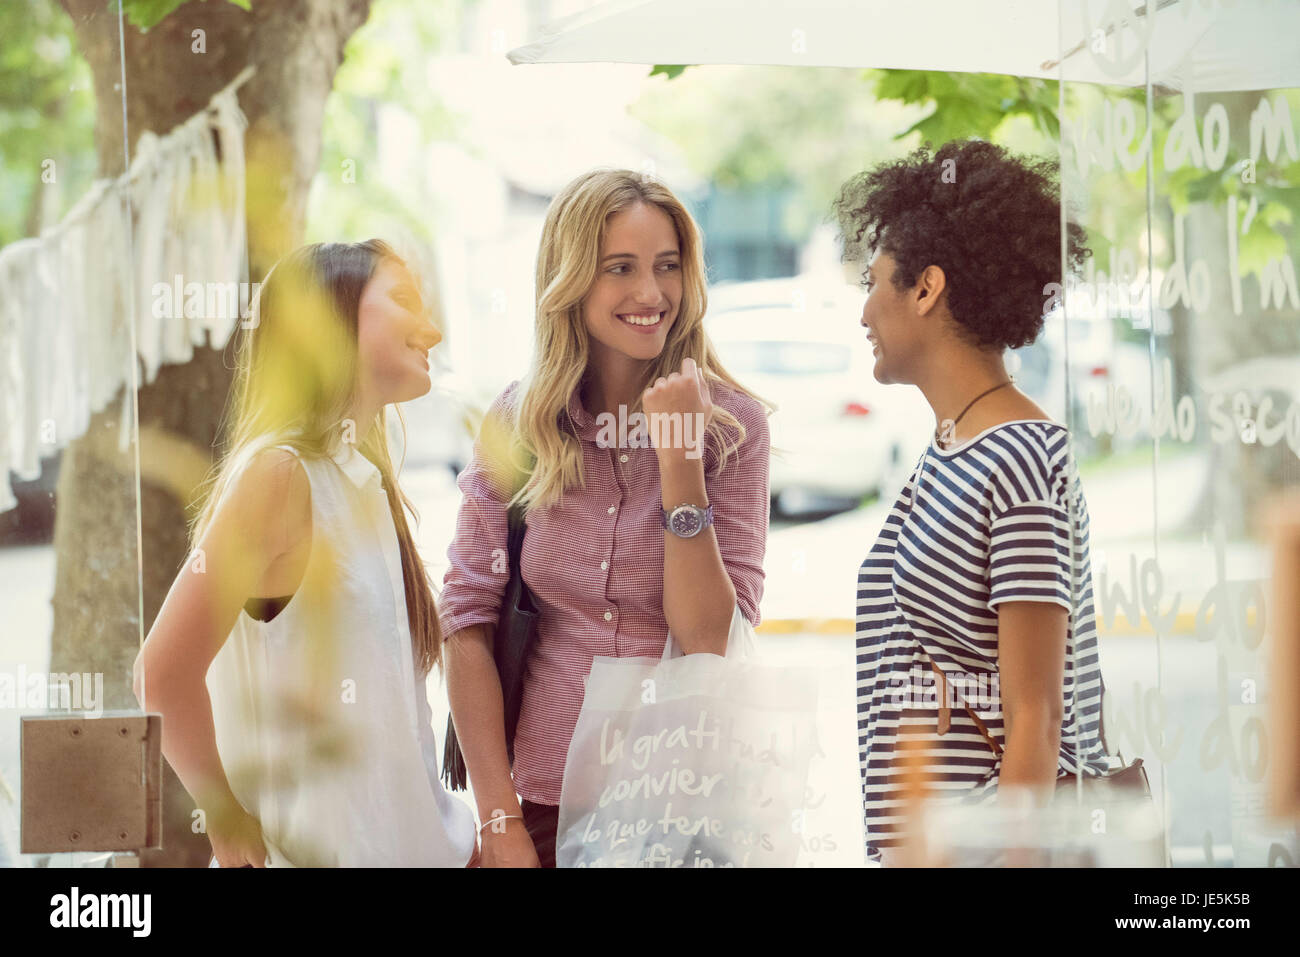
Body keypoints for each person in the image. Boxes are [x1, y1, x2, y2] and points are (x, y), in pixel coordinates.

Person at [440, 168, 772, 868]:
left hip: (683, 809)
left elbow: (712, 639)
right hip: (540, 810)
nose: (651, 294)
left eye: (668, 267)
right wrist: (498, 819)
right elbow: (465, 620)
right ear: (570, 282)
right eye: (620, 268)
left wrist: (681, 466)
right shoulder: (518, 422)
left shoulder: (731, 428)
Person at [132, 240, 477, 867]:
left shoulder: (365, 484)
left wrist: (454, 839)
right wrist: (227, 826)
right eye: (404, 301)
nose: (431, 329)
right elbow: (159, 675)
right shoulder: (280, 475)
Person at [833, 141, 1116, 865]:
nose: (864, 308)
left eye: (874, 282)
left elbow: (1039, 716)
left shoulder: (1020, 456)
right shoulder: (955, 444)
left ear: (926, 288)